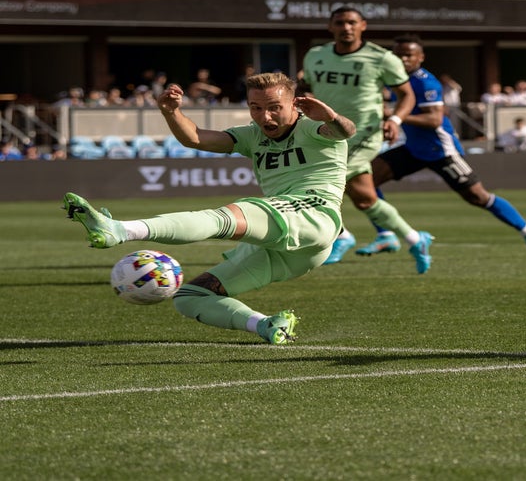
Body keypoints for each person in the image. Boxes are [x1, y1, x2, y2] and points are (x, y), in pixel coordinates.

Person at [63, 73, 356, 345]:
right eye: (255, 107)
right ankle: (268, 326)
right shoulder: (253, 135)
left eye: (274, 107)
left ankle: (122, 229)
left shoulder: (316, 129)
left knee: (224, 218)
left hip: (314, 214)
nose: (264, 116)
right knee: (191, 297)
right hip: (300, 252)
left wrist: (330, 116)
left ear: (295, 103)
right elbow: (195, 137)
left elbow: (345, 131)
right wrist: (171, 112)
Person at [372, 34, 526, 258]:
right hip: (413, 148)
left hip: (440, 150)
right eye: (398, 55)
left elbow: (434, 119)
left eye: (408, 55)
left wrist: (395, 116)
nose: (403, 59)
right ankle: (386, 235)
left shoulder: (426, 82)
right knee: (366, 179)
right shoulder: (394, 78)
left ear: (421, 57)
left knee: (478, 197)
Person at [302, 7, 432, 271]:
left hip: (364, 133)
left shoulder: (382, 58)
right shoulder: (316, 56)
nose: (346, 27)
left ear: (363, 25)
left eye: (352, 22)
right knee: (364, 198)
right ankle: (415, 239)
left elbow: (407, 95)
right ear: (331, 27)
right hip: (327, 134)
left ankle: (341, 236)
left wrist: (394, 120)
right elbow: (312, 92)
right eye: (340, 22)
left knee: (319, 180)